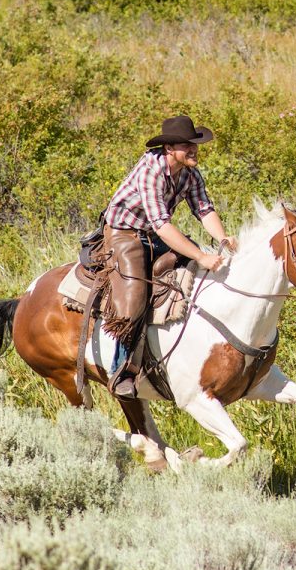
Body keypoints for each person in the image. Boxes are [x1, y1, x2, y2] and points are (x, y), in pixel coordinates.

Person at [100, 114, 235, 396]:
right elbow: (162, 225)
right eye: (187, 145)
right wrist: (201, 255)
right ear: (169, 149)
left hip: (151, 232)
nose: (194, 149)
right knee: (134, 295)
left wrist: (222, 238)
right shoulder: (150, 169)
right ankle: (121, 370)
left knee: (193, 272)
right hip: (126, 233)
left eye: (194, 144)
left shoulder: (189, 172)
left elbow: (204, 209)